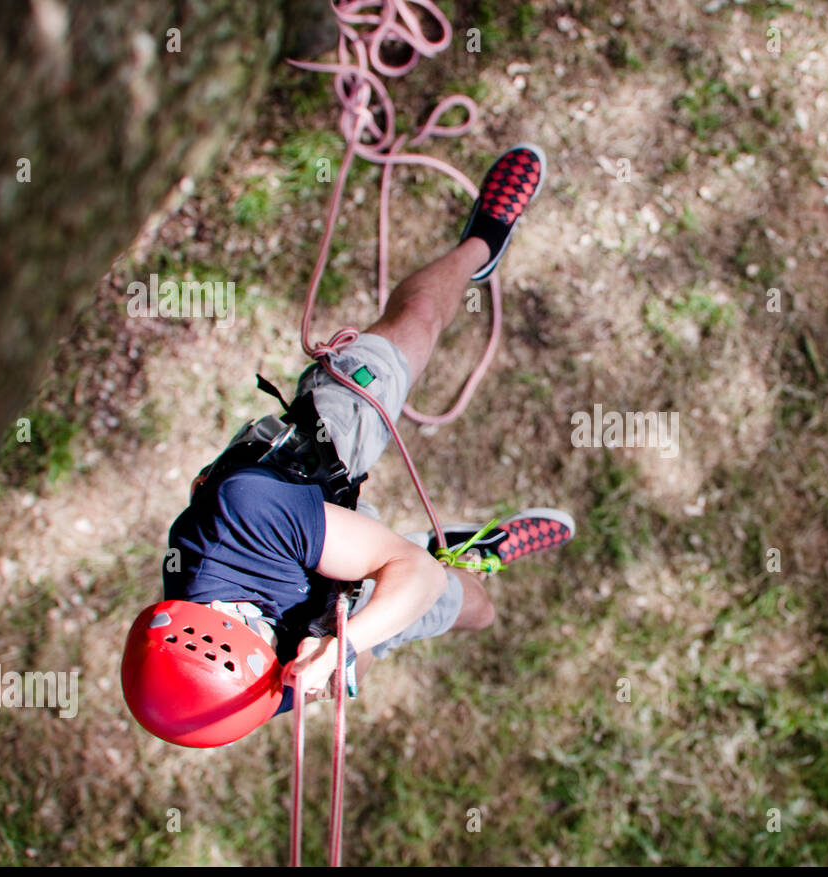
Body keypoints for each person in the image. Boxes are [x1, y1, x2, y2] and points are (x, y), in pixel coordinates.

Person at [121, 144, 574, 747]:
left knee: (413, 320)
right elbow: (411, 580)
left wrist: (351, 635)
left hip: (309, 473)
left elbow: (399, 569)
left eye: (236, 620)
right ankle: (465, 550)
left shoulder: (240, 517)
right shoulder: (241, 692)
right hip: (336, 610)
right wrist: (344, 644)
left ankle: (482, 244)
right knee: (472, 607)